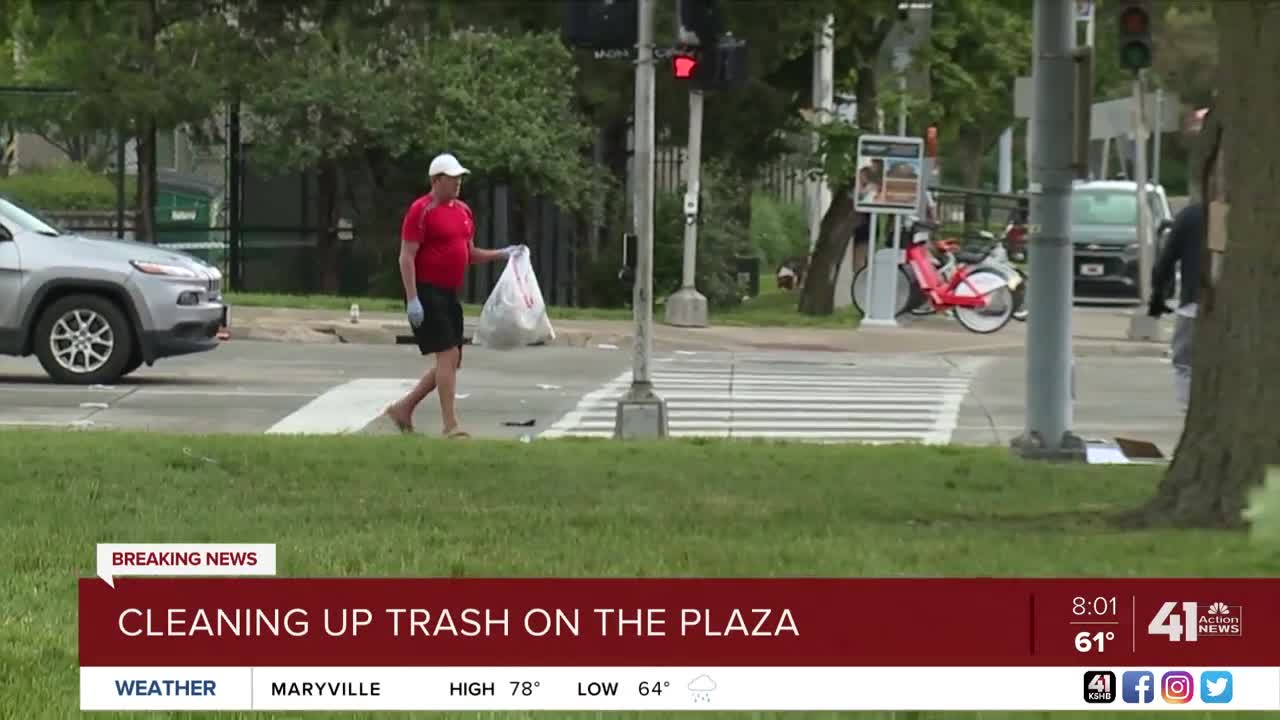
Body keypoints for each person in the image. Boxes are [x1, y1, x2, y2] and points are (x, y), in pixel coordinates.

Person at [383, 153, 520, 438]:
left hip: (449, 293)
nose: (457, 183)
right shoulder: (421, 210)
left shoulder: (463, 212)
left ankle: (403, 408)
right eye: (452, 178)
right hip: (426, 292)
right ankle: (450, 426)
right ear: (436, 180)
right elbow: (406, 256)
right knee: (448, 356)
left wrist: (503, 254)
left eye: (459, 178)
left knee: (452, 360)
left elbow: (469, 253)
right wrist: (412, 299)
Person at [1147, 201, 1204, 413]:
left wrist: (1159, 293)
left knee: (1184, 358)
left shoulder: (1191, 215)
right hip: (1233, 306)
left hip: (1194, 300)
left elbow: (1167, 258)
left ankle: (1189, 404)